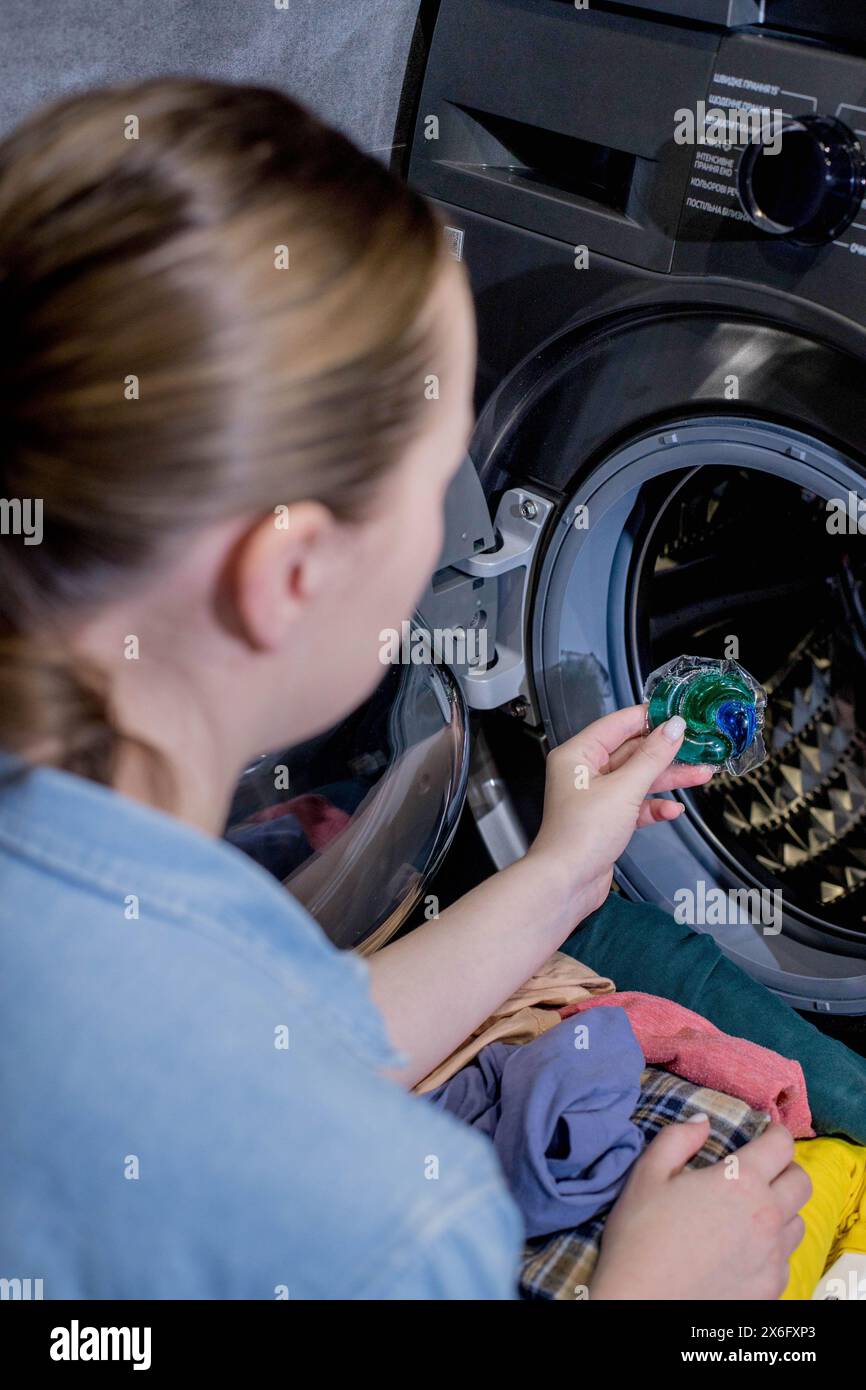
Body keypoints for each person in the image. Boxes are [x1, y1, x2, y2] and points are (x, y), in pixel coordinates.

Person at [0, 78, 813, 1300]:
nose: (466, 543)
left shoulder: (102, 887)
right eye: (438, 481)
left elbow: (260, 1046)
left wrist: (558, 875)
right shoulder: (397, 1225)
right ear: (288, 573)